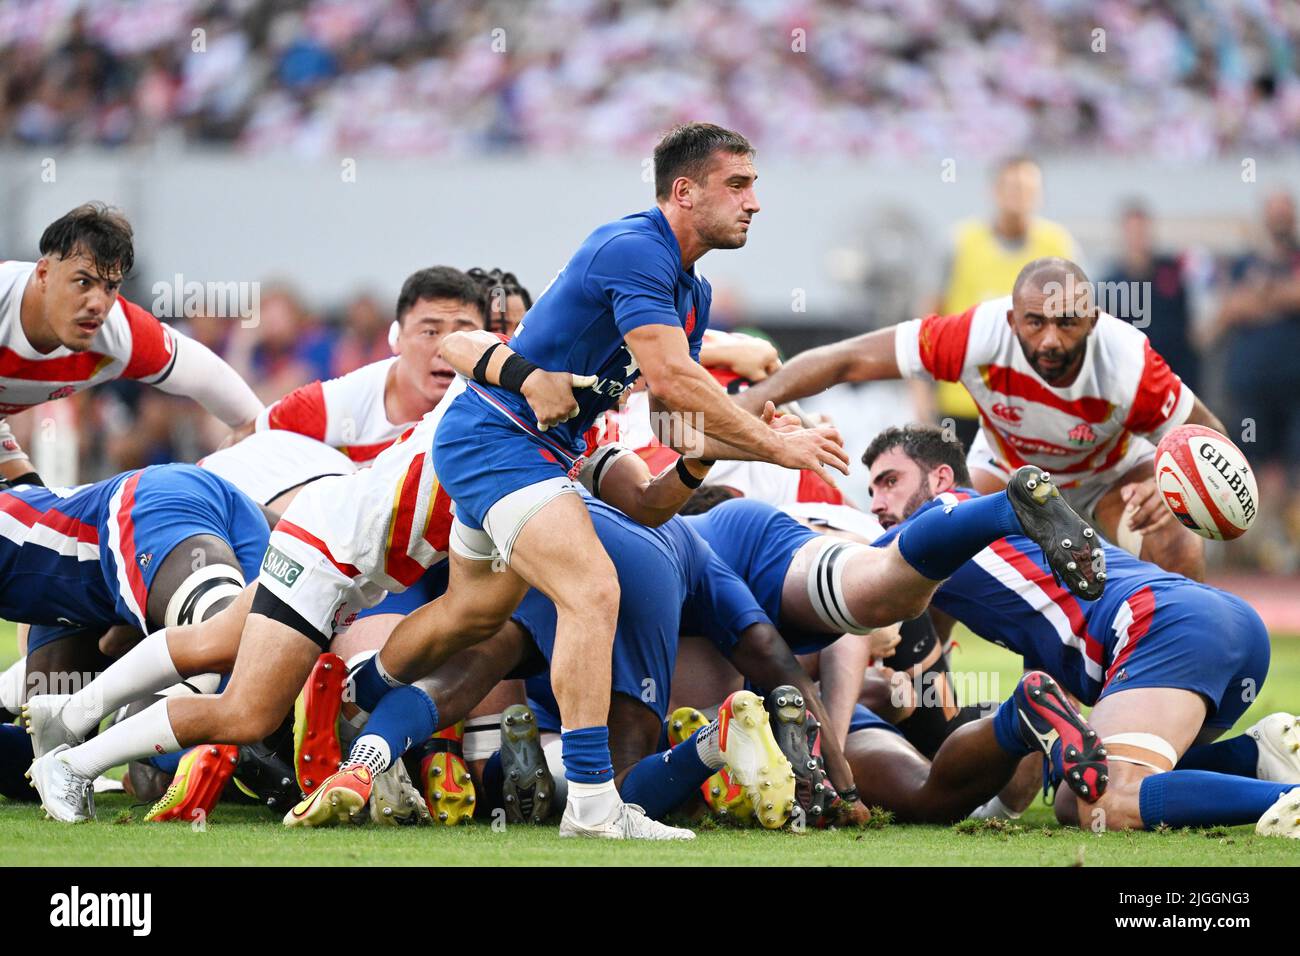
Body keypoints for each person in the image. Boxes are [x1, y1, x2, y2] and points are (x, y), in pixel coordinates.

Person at [346, 122, 850, 840]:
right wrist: (775, 444)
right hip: (498, 440)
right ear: (684, 191)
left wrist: (758, 444)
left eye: (754, 185)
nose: (754, 202)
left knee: (470, 616)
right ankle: (592, 806)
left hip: (540, 455)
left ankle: (360, 688)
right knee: (593, 589)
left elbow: (675, 417)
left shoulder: (693, 289)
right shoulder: (635, 247)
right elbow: (673, 376)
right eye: (738, 184)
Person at [862, 424, 1300, 837]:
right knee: (1075, 796)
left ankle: (1284, 799)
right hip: (1221, 620)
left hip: (1162, 623)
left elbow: (848, 569)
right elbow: (1046, 706)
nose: (877, 504)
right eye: (872, 491)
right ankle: (1256, 756)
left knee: (1107, 801)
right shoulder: (1013, 539)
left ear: (941, 478)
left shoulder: (929, 529)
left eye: (890, 482)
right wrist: (996, 806)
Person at [738, 256, 1224, 580]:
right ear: (1012, 321)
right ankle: (925, 687)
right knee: (927, 551)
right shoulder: (977, 334)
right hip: (1010, 467)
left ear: (1093, 321)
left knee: (1177, 546)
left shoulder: (1129, 362)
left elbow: (1212, 436)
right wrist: (743, 406)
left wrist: (1170, 485)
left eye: (1067, 323)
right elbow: (847, 359)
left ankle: (1184, 678)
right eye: (1035, 322)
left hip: (1111, 473)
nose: (1050, 340)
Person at [0, 202, 263, 483]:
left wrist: (258, 437)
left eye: (110, 287)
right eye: (83, 282)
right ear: (43, 274)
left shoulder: (121, 331)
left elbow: (209, 377)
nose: (98, 303)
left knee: (33, 501)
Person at [925, 156, 1080, 448]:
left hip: (1034, 407)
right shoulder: (961, 243)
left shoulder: (1058, 245)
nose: (1019, 196)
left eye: (1027, 189)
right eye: (1012, 187)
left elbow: (1078, 325)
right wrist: (920, 398)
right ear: (993, 191)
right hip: (964, 404)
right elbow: (928, 322)